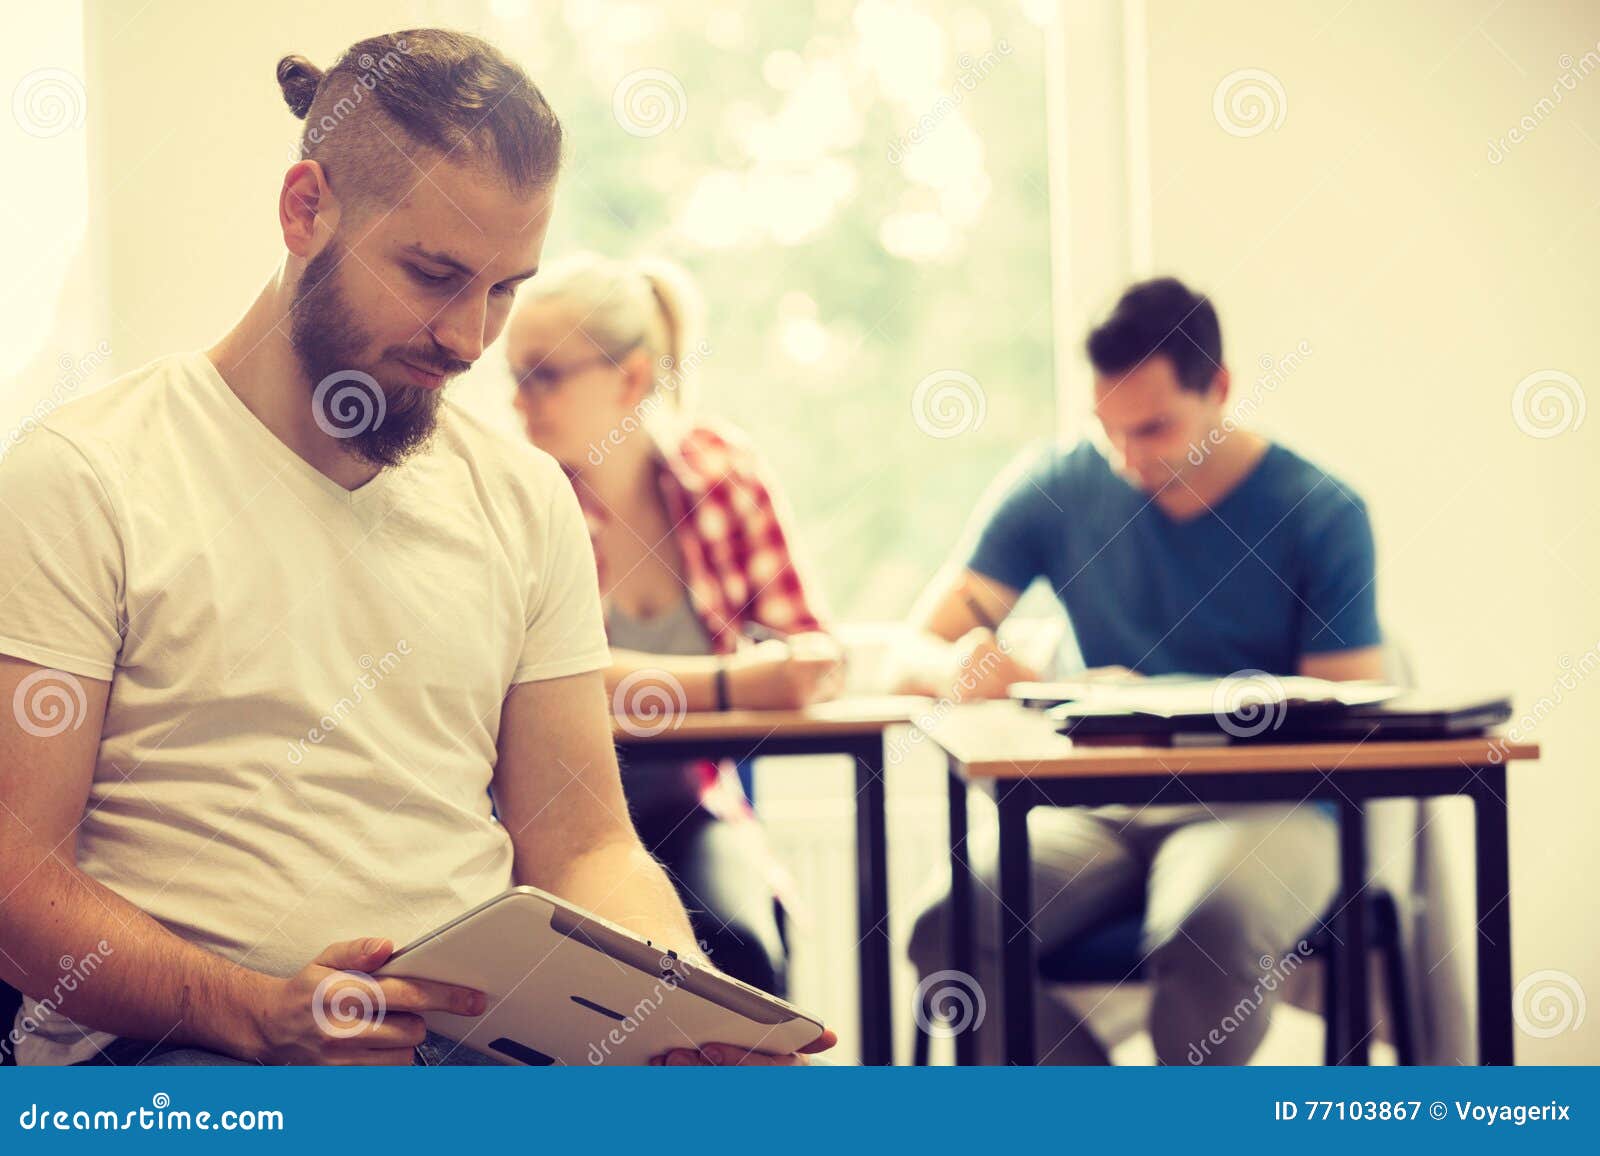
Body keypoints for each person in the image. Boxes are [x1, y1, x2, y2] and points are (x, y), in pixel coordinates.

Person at [0, 29, 830, 1068]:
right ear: (307, 208)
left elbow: (585, 844)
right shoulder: (80, 477)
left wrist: (669, 1013)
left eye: (503, 289)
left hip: (473, 1046)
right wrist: (257, 1009)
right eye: (433, 274)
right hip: (176, 1052)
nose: (470, 339)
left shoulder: (521, 500)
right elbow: (13, 882)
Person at [897, 276, 1383, 1065]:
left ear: (1219, 390)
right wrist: (962, 663)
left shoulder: (1321, 513)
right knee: (944, 929)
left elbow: (1349, 719)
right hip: (1098, 802)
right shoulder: (1056, 486)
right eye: (1107, 429)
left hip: (1268, 808)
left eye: (1153, 429)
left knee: (1208, 928)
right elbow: (909, 651)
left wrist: (1157, 700)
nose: (1127, 459)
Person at [503, 252, 844, 996]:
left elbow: (808, 646)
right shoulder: (516, 499)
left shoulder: (723, 473)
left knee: (743, 956)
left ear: (630, 379)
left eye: (544, 375)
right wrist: (734, 682)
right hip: (540, 827)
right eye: (515, 377)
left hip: (690, 808)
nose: (520, 401)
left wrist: (796, 667)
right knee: (575, 989)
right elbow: (557, 676)